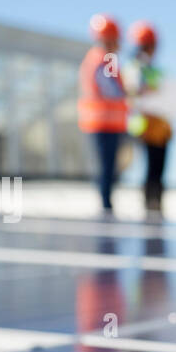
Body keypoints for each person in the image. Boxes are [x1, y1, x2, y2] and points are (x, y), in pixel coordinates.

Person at [77, 14, 129, 217]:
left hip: (105, 122)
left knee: (108, 167)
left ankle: (106, 203)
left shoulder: (99, 58)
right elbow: (112, 90)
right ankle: (106, 205)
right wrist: (132, 92)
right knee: (107, 168)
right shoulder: (103, 58)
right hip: (103, 122)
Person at [123, 21, 172, 221]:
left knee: (159, 169)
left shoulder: (155, 69)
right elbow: (133, 92)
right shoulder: (135, 68)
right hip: (146, 125)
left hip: (160, 126)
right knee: (151, 169)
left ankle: (156, 205)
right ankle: (149, 206)